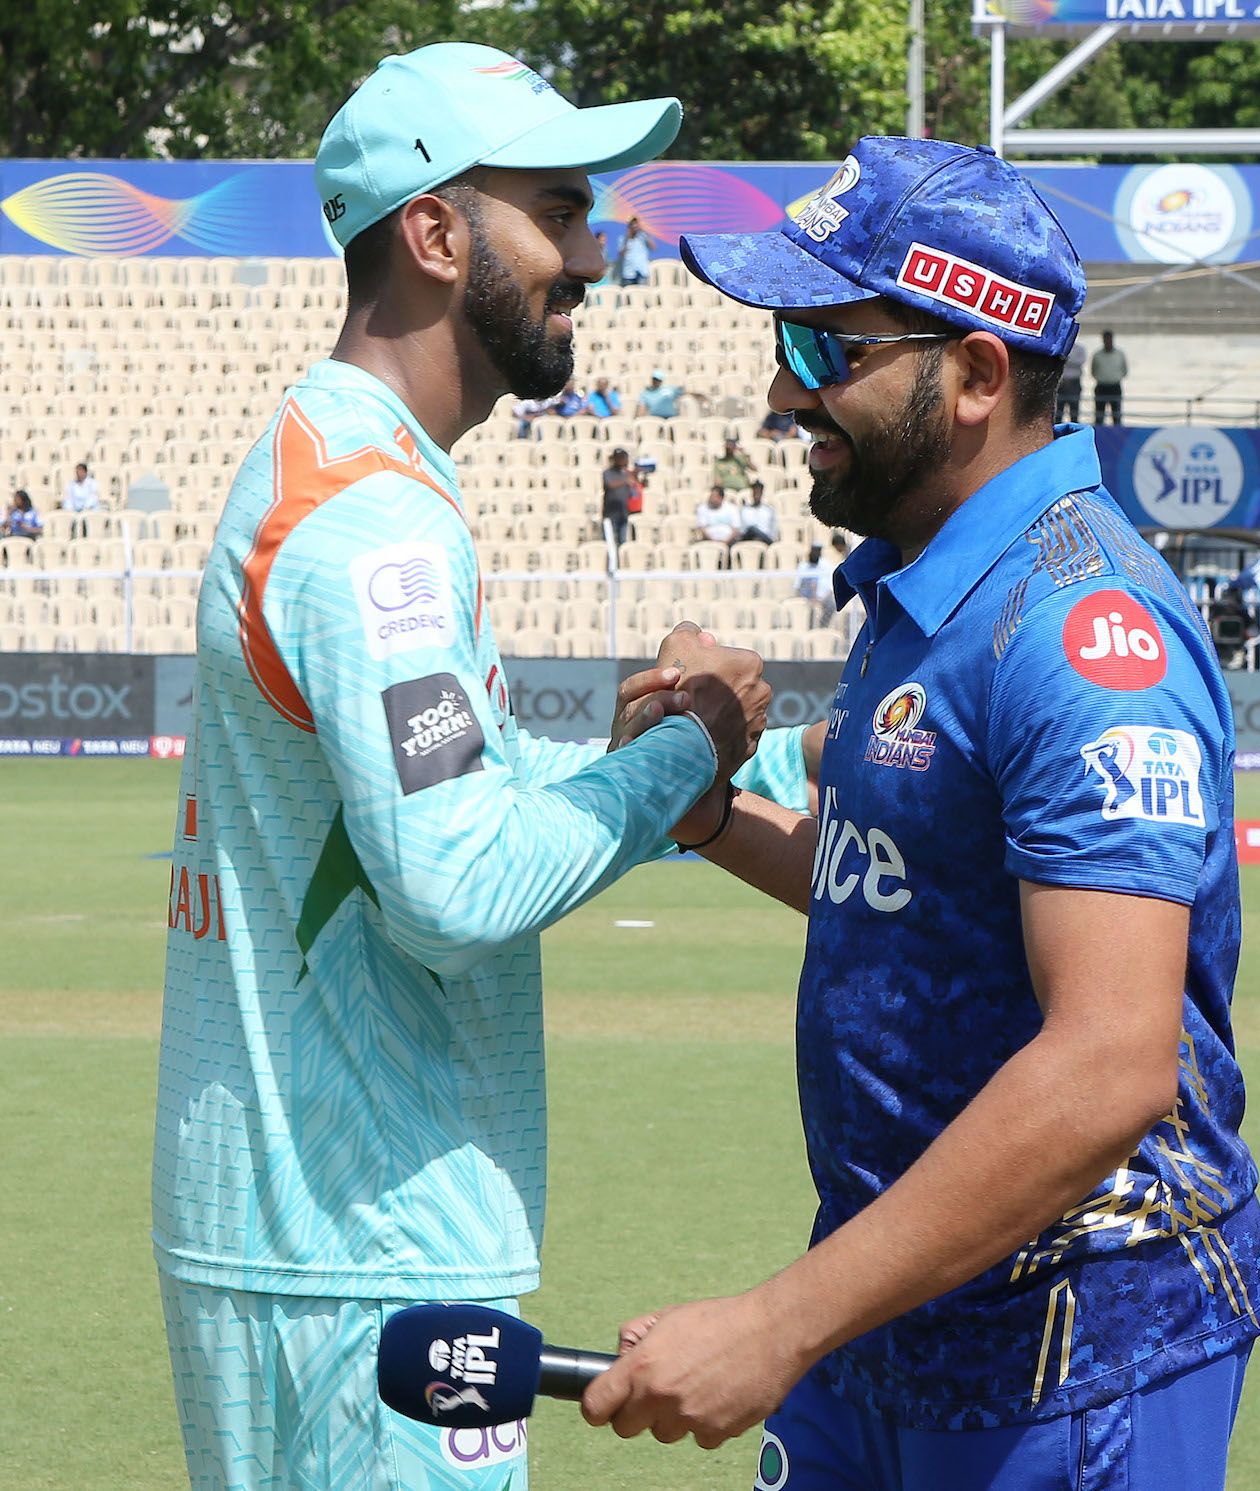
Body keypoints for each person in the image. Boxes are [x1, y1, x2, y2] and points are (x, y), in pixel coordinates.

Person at [150, 44, 817, 1491]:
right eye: (560, 210)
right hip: (362, 1250)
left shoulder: (332, 461)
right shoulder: (376, 526)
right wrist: (687, 758)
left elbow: (453, 801)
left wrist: (658, 766)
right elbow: (453, 884)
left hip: (313, 1238)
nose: (594, 251)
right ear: (438, 235)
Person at [581, 135, 1260, 1490]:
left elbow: (1111, 1062)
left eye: (824, 348)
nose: (785, 395)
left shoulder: (1084, 631)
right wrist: (711, 814)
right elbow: (903, 881)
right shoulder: (932, 580)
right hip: (895, 1324)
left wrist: (774, 1323)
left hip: (1076, 1360)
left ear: (975, 372)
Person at [601, 445, 636, 548]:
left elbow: (634, 491)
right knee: (609, 543)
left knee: (623, 543)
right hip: (610, 513)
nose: (622, 460)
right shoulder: (608, 473)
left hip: (623, 513)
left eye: (623, 457)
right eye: (619, 458)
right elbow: (610, 484)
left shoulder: (627, 474)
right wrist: (625, 481)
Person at [792, 541, 835, 624]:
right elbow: (797, 586)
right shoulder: (803, 566)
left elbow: (830, 588)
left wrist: (821, 599)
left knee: (831, 606)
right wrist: (807, 598)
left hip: (823, 597)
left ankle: (822, 627)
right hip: (806, 598)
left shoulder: (826, 565)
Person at [1092, 328, 1127, 424]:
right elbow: (1093, 371)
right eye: (1105, 339)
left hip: (1115, 387)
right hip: (1101, 387)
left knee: (1116, 415)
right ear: (1103, 340)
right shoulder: (1097, 355)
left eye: (1109, 339)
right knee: (1099, 416)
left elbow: (1124, 370)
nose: (1108, 341)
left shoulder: (1120, 354)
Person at [737, 480, 779, 545]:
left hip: (765, 539)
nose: (757, 494)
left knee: (753, 529)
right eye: (755, 491)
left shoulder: (769, 510)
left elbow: (773, 529)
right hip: (747, 538)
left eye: (758, 492)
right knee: (751, 529)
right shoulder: (744, 509)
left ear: (762, 493)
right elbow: (741, 529)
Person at [1056, 338, 1085, 424]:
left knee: (1074, 411)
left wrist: (1066, 359)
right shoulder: (1060, 348)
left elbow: (1080, 361)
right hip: (1061, 383)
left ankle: (1074, 433)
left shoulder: (1079, 349)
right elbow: (1057, 360)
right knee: (1059, 411)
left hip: (1074, 383)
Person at [617, 215, 652, 286]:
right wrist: (627, 238)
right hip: (629, 273)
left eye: (636, 225)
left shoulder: (643, 237)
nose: (634, 227)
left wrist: (643, 231)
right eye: (632, 225)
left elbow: (653, 247)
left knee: (642, 294)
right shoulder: (623, 239)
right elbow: (621, 254)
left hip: (642, 271)